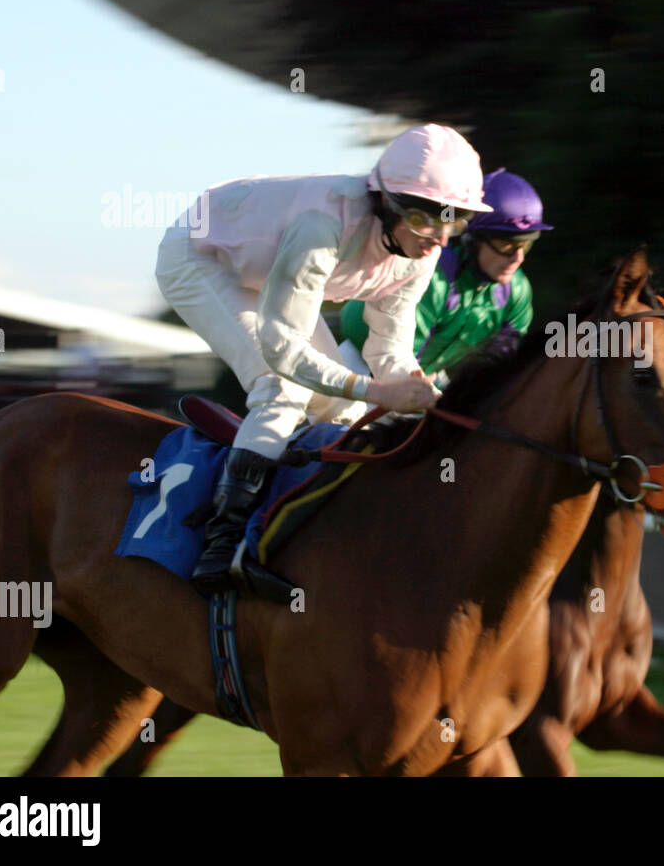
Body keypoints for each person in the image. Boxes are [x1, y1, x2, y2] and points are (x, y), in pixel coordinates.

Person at [154, 123, 494, 592]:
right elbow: (282, 349)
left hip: (268, 272)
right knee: (282, 389)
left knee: (347, 410)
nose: (438, 238)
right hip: (200, 257)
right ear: (386, 202)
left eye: (454, 221)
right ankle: (223, 548)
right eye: (424, 220)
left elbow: (388, 347)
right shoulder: (323, 226)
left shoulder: (424, 251)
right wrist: (376, 389)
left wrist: (424, 394)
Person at [337, 168, 551, 386]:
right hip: (361, 366)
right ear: (472, 239)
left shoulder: (517, 290)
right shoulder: (434, 279)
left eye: (526, 245)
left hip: (427, 372)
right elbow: (397, 362)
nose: (518, 258)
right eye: (506, 245)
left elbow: (502, 366)